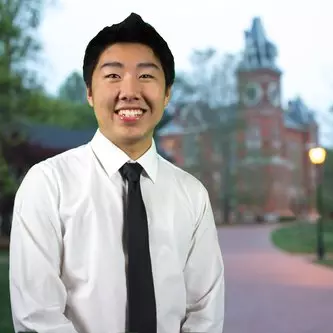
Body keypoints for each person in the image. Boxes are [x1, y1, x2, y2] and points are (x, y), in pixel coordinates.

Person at [9, 12, 224, 333]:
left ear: (167, 94)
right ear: (89, 92)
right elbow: (37, 315)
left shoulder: (191, 194)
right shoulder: (48, 183)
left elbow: (204, 310)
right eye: (113, 76)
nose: (130, 91)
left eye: (146, 76)